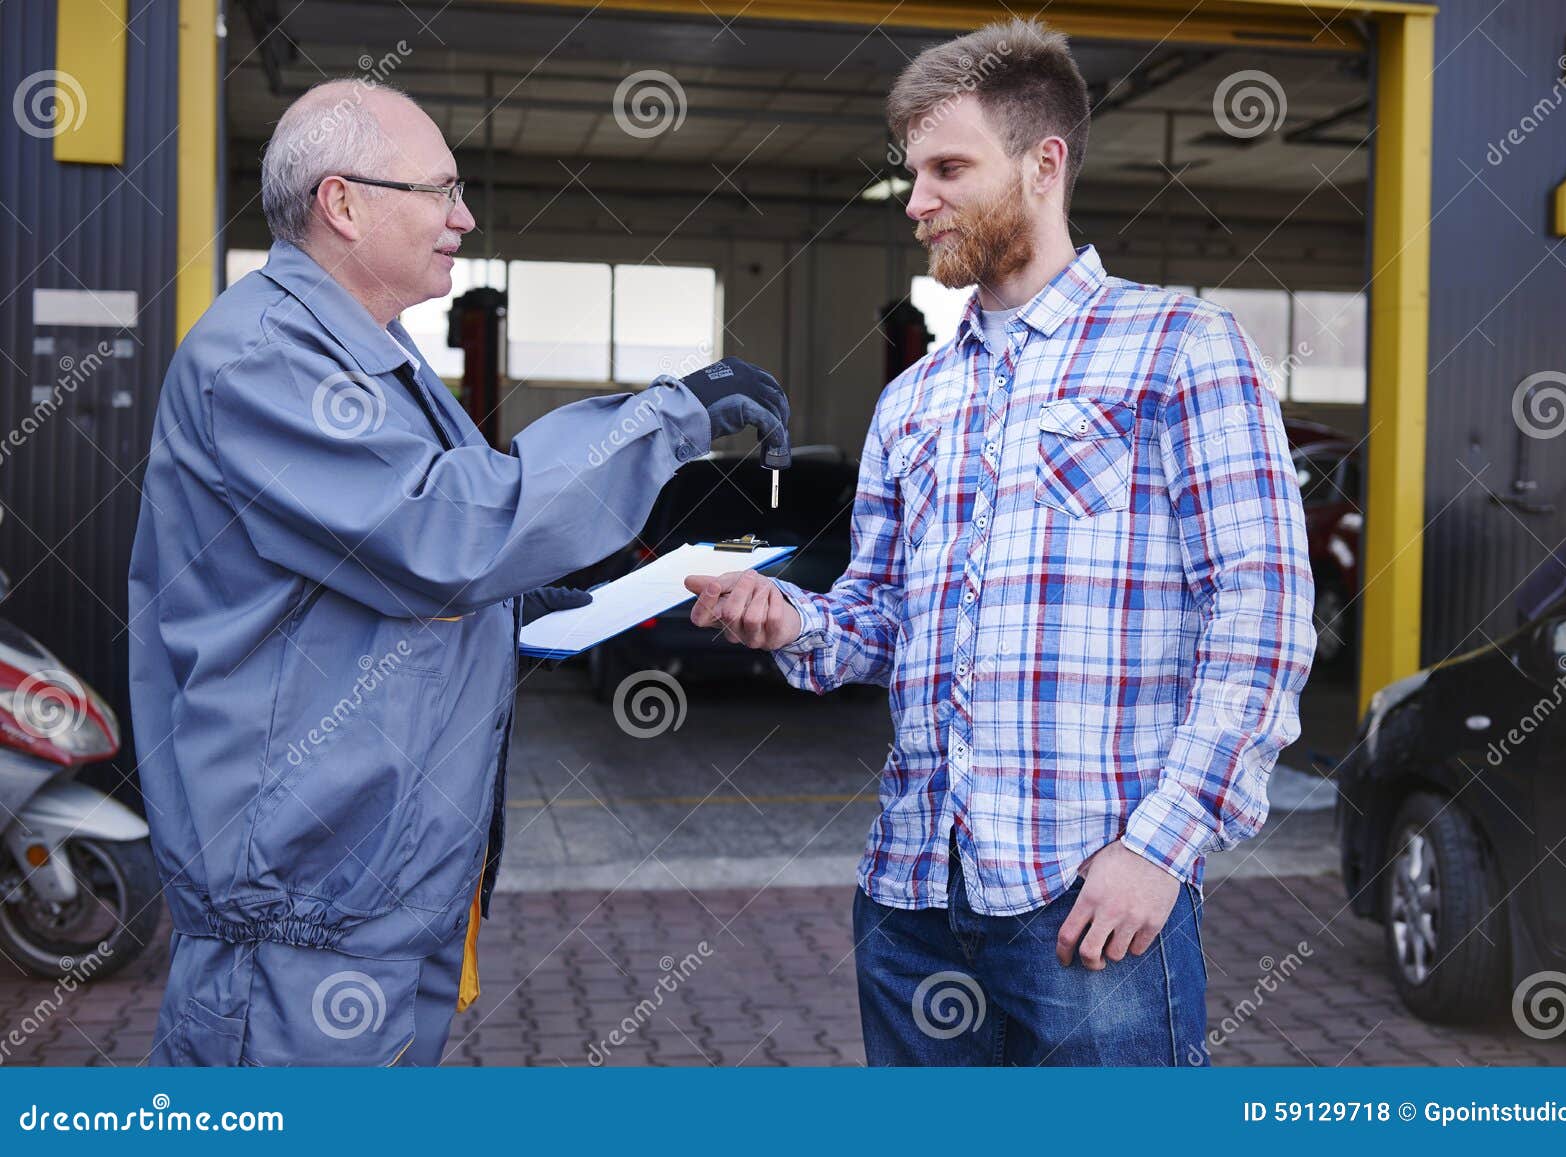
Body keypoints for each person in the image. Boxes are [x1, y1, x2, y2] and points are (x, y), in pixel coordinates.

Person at [685, 18, 1316, 1066]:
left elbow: (1259, 616)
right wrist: (792, 619)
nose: (916, 201)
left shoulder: (1182, 349)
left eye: (946, 169)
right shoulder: (915, 400)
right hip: (910, 899)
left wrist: (1160, 847)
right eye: (911, 173)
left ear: (1042, 164)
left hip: (1089, 897)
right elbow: (881, 617)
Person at [128, 78, 788, 1066]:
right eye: (438, 189)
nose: (463, 215)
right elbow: (448, 531)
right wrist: (675, 413)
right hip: (299, 913)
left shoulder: (368, 355)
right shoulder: (264, 359)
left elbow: (388, 569)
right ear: (343, 202)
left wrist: (565, 604)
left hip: (379, 892)